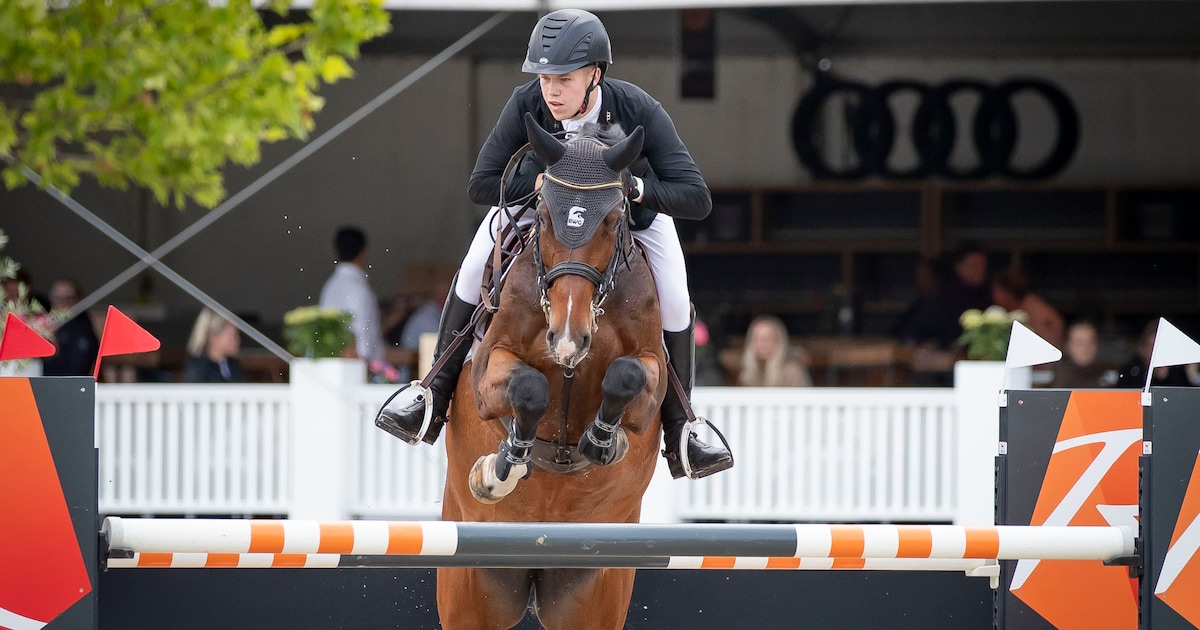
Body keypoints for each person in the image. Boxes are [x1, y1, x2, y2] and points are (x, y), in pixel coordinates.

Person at [378, 9, 732, 480]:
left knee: (674, 297)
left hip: (623, 216)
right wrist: (540, 181)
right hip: (541, 210)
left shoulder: (636, 107)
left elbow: (696, 196)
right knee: (473, 265)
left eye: (563, 79)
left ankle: (682, 429)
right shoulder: (526, 102)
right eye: (545, 78)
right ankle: (431, 396)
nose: (551, 91)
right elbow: (482, 185)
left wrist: (637, 190)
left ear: (595, 75)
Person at [319, 226, 384, 363]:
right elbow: (363, 346)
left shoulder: (329, 287)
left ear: (336, 252)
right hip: (357, 369)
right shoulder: (360, 290)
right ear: (363, 252)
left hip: (332, 363)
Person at [990, 266, 1064, 348]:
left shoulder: (1036, 313)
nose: (993, 295)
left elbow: (1047, 347)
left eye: (996, 291)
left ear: (1005, 293)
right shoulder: (1019, 308)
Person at [42, 278, 100, 376]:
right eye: (57, 298)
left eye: (69, 298)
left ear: (78, 300)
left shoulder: (83, 330)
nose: (62, 303)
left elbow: (77, 369)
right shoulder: (44, 325)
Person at [737, 315, 812, 387]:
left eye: (768, 338)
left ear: (779, 341)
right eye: (757, 338)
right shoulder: (748, 371)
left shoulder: (792, 372)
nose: (762, 343)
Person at [1116, 320, 1192, 388]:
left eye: (1161, 347)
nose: (1156, 352)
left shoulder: (1178, 372)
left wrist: (1164, 379)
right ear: (1143, 349)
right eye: (1151, 347)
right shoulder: (1130, 371)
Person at [182, 308, 246, 383]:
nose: (238, 339)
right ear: (213, 336)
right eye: (233, 335)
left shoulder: (233, 365)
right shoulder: (198, 369)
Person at [1049, 320, 1112, 388]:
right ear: (1067, 346)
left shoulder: (1107, 375)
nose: (1085, 348)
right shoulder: (1060, 376)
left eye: (1090, 342)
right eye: (1079, 343)